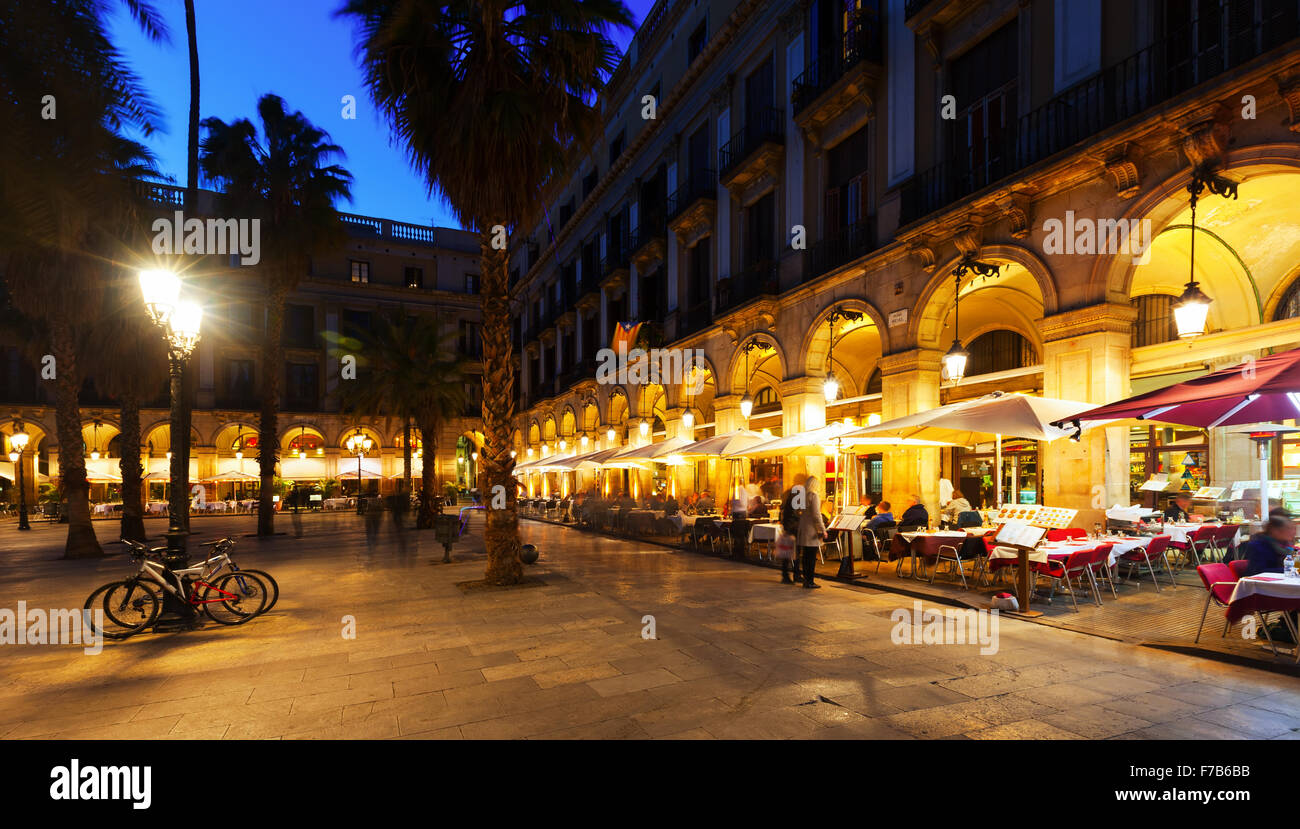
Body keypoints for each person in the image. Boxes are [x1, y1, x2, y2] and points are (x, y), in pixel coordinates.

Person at [796, 475, 828, 588]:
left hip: (803, 527)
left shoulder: (802, 495)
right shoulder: (814, 495)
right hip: (811, 529)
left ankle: (806, 579)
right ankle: (810, 580)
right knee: (811, 556)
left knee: (805, 556)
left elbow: (798, 511)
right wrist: (823, 529)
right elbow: (816, 515)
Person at [779, 483, 803, 584]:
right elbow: (796, 514)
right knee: (793, 552)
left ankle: (792, 574)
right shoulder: (796, 499)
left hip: (789, 527)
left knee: (790, 552)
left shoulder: (789, 498)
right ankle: (790, 575)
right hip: (793, 528)